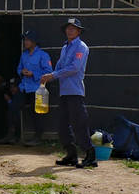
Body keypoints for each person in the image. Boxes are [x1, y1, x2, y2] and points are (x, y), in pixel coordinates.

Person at [40, 17, 97, 168]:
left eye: (73, 28)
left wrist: (52, 75)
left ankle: (90, 155)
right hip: (64, 92)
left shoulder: (81, 47)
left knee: (79, 123)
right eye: (68, 28)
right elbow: (59, 67)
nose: (69, 30)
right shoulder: (65, 47)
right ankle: (71, 154)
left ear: (79, 31)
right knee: (62, 125)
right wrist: (49, 76)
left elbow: (74, 68)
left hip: (75, 91)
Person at [2, 30, 53, 145]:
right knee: (12, 109)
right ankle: (13, 136)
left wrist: (33, 74)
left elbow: (49, 72)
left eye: (28, 40)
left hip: (38, 89)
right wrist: (22, 72)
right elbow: (18, 68)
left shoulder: (43, 55)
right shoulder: (24, 55)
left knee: (38, 113)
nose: (25, 42)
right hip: (24, 87)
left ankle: (37, 138)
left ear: (34, 42)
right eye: (25, 39)